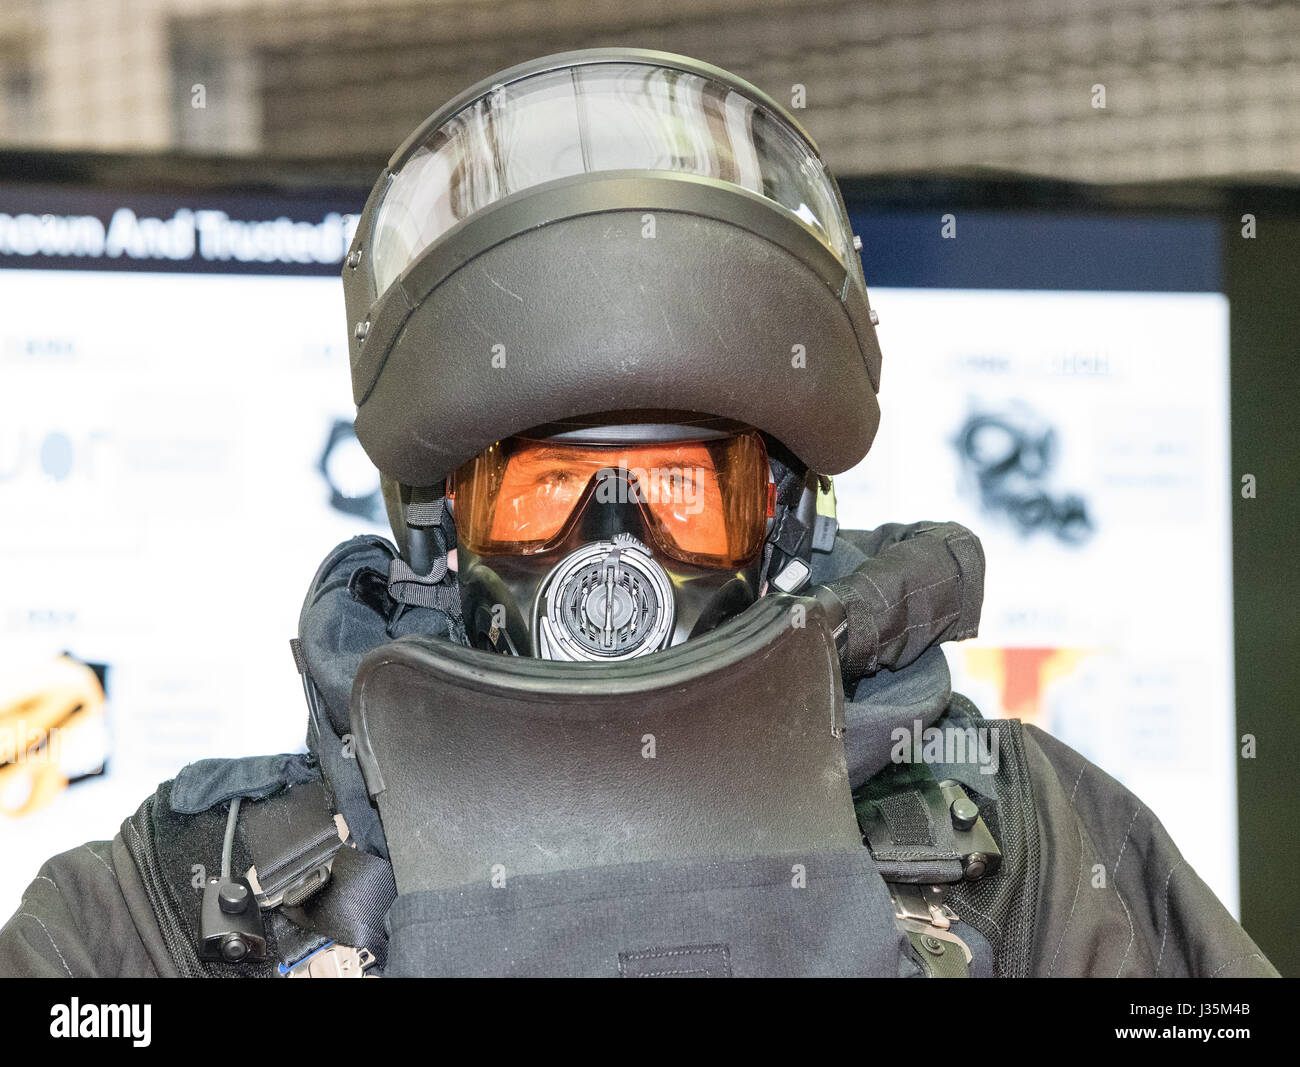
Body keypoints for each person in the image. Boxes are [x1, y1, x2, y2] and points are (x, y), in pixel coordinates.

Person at [0, 49, 1276, 978]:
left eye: (677, 490)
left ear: (777, 525)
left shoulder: (1026, 843)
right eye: (551, 486)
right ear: (454, 530)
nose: (614, 549)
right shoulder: (188, 894)